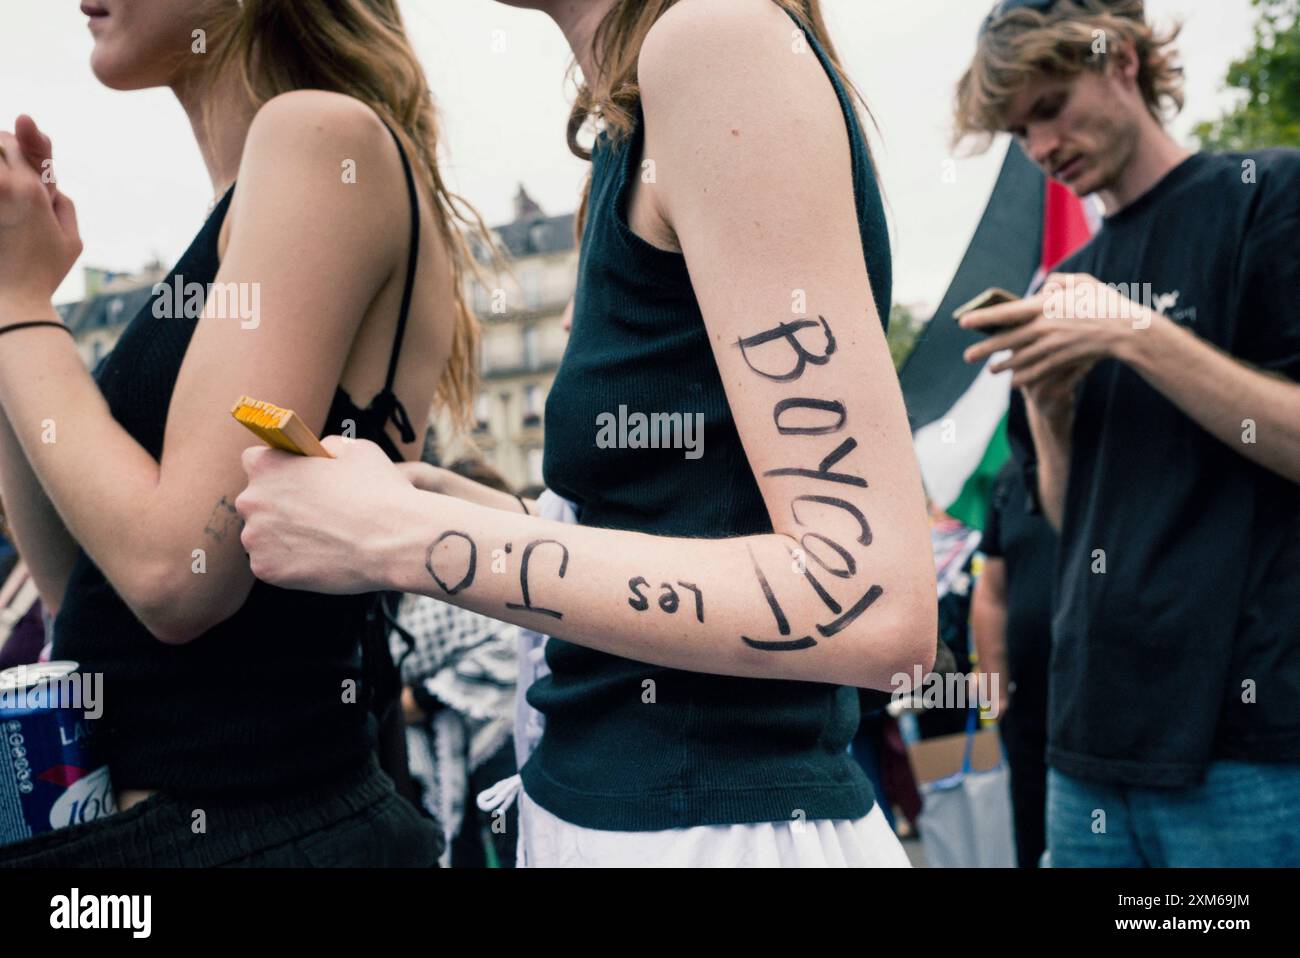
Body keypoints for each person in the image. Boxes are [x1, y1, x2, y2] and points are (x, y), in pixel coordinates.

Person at [236, 0, 938, 867]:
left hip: (711, 833)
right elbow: (692, 525)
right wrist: (460, 512)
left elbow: (866, 602)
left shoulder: (715, 43)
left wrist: (400, 536)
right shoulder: (642, 115)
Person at [0, 0, 477, 866]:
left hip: (248, 832)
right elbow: (82, 591)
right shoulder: (253, 202)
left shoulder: (320, 137)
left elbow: (176, 576)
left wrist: (21, 305)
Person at [955, 0, 1300, 866]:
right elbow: (1071, 519)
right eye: (1019, 131)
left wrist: (1134, 333)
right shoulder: (1062, 281)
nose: (1041, 146)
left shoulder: (1268, 197)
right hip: (1087, 743)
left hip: (1249, 746)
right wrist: (1048, 407)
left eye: (1051, 107)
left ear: (1122, 60)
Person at [971, 452, 1056, 868]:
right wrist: (996, 689)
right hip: (1028, 711)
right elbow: (991, 592)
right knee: (1033, 836)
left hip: (1105, 710)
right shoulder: (1011, 478)